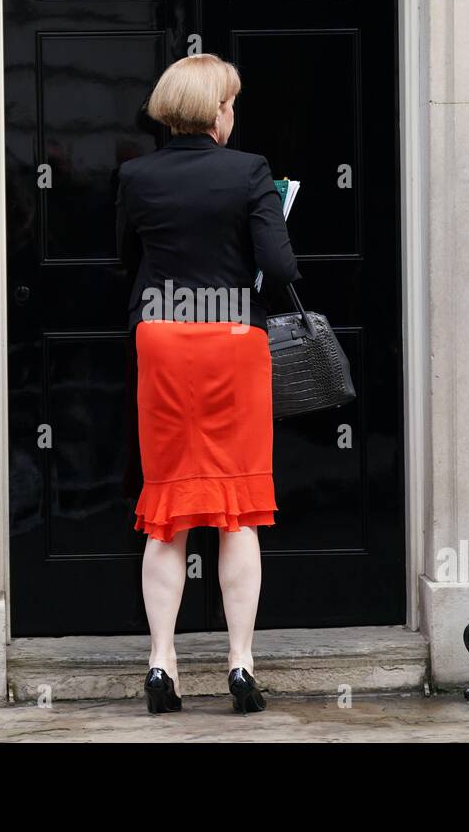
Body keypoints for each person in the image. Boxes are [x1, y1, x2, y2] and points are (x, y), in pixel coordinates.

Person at [116, 54, 300, 714]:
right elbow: (279, 268)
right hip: (230, 343)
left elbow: (125, 262)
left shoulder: (136, 176)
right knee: (239, 511)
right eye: (230, 103)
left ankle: (161, 663)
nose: (233, 113)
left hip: (163, 340)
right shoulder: (248, 172)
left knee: (165, 512)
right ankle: (240, 663)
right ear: (215, 110)